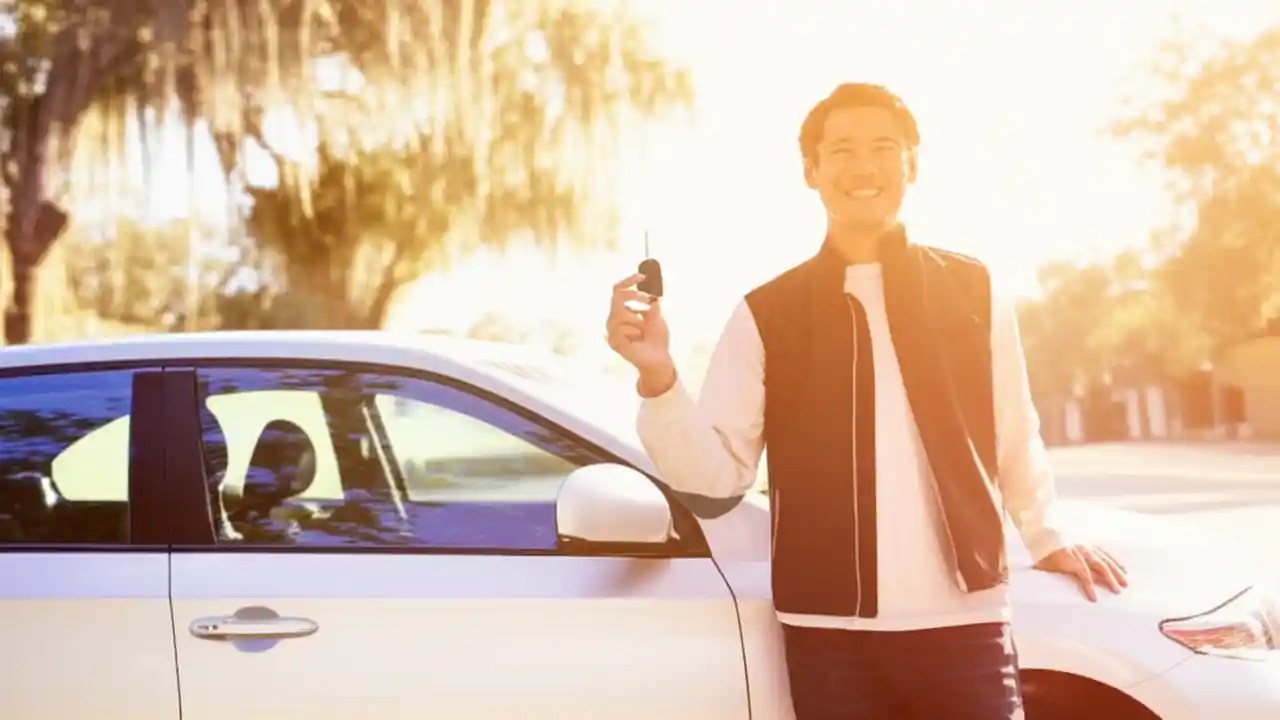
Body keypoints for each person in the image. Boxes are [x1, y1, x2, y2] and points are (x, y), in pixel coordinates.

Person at [604, 83, 1130, 719]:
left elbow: (1014, 430)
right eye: (841, 150)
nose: (863, 166)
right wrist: (658, 377)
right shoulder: (767, 313)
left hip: (966, 623)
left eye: (883, 147)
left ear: (912, 164)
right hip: (830, 636)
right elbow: (716, 482)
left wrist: (1047, 536)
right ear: (811, 170)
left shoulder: (974, 290)